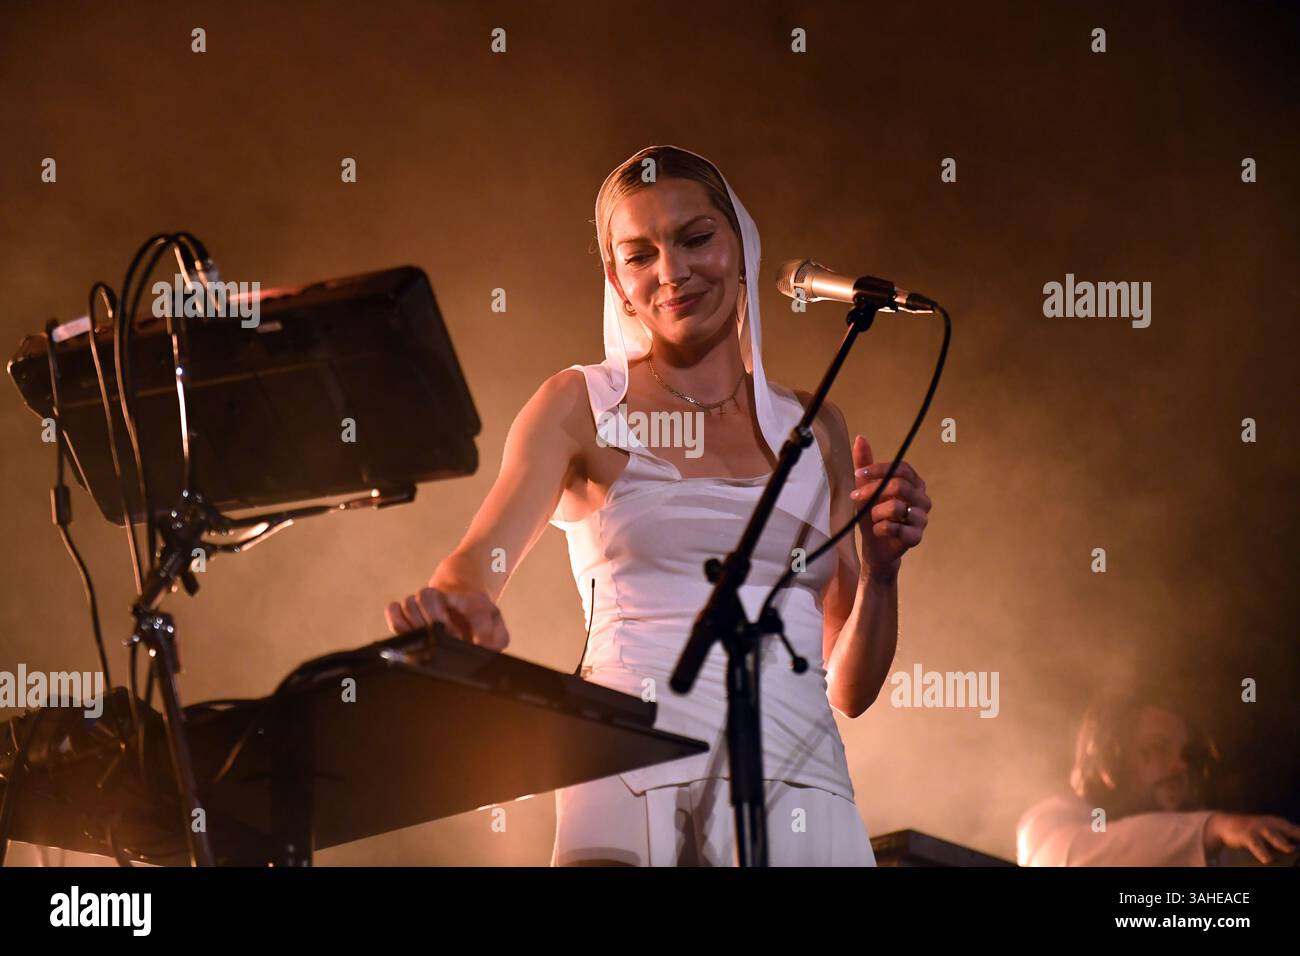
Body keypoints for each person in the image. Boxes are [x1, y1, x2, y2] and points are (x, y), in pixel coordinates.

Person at [384, 145, 933, 866]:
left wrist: (884, 570)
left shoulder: (816, 427)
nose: (671, 272)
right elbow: (473, 567)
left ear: (741, 247)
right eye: (639, 255)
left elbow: (850, 688)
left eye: (696, 238)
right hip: (631, 774)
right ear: (616, 280)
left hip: (803, 787)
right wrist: (458, 610)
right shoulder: (579, 404)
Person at [1016, 691, 1300, 866]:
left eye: (1186, 753)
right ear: (1107, 757)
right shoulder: (1048, 821)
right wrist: (1215, 827)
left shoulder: (1202, 844)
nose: (1180, 766)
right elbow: (1069, 858)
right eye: (1157, 748)